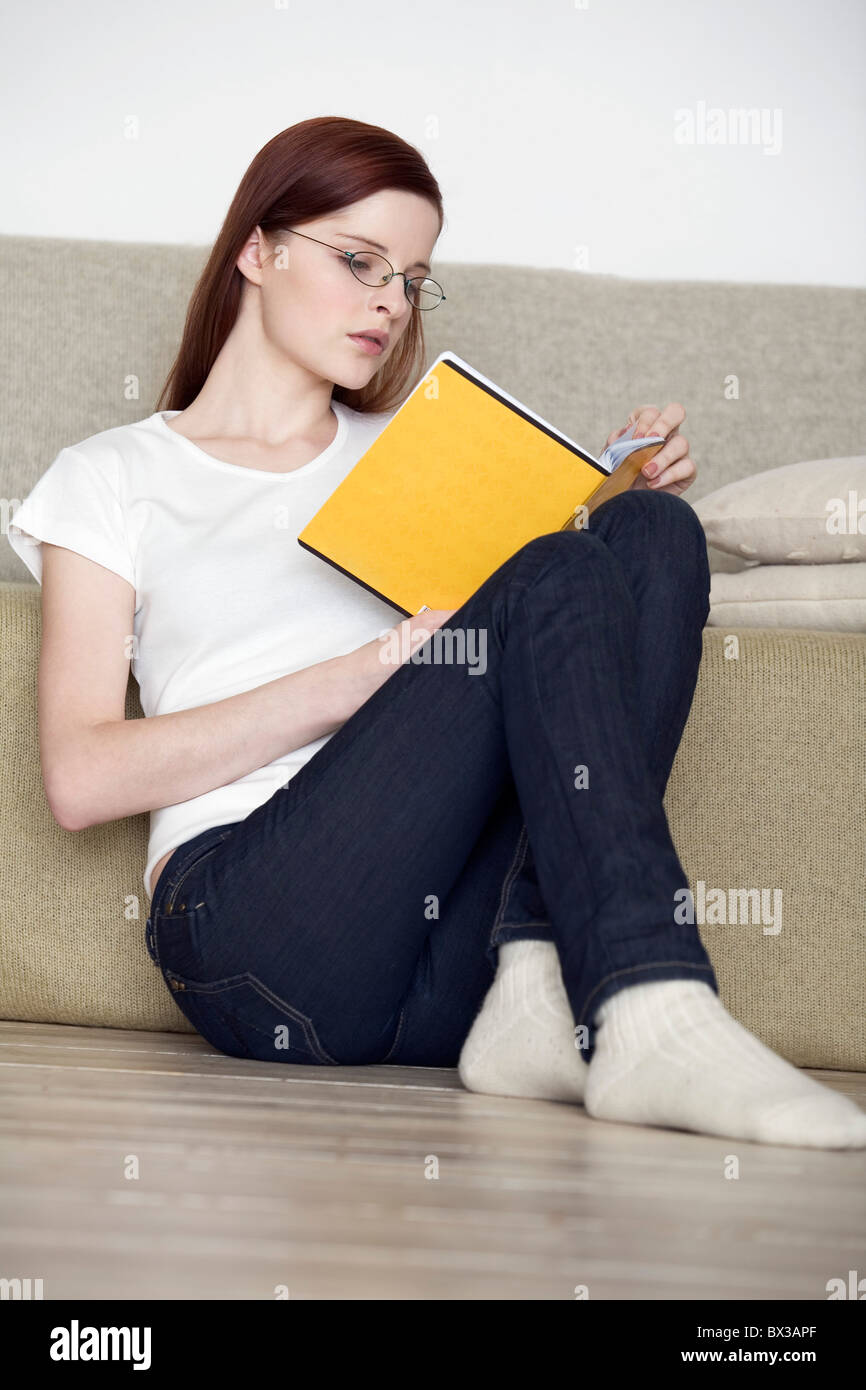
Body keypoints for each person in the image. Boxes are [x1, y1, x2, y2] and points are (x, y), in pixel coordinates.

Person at [9, 116, 866, 1151]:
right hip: (262, 939)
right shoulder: (115, 476)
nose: (387, 300)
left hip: (453, 958)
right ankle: (644, 992)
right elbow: (81, 778)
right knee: (553, 566)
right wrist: (361, 673)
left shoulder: (422, 450)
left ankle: (540, 988)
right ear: (255, 248)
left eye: (411, 278)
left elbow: (529, 672)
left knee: (648, 531)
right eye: (358, 260)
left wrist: (593, 499)